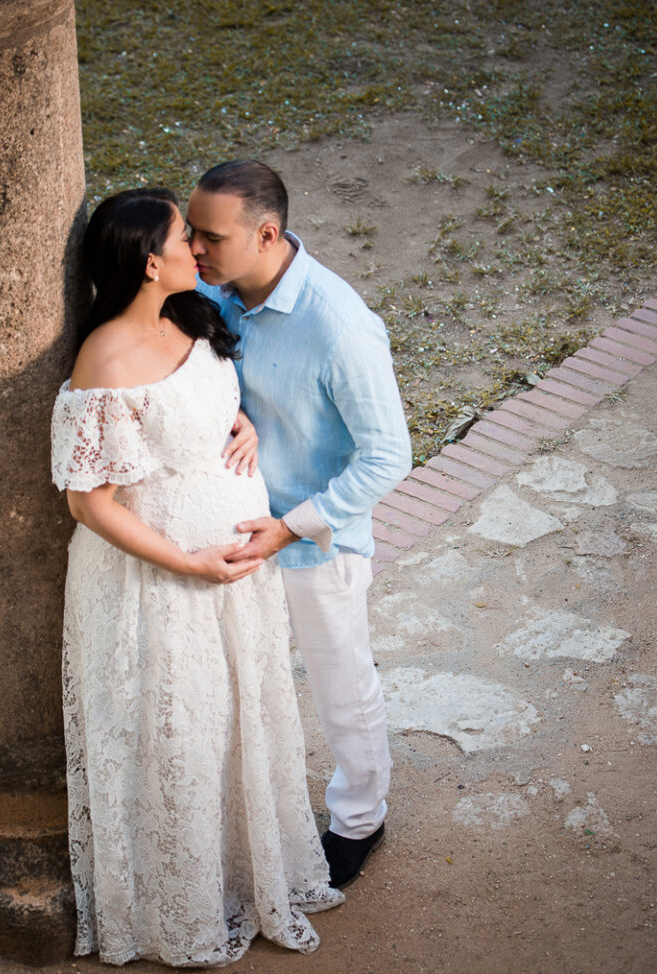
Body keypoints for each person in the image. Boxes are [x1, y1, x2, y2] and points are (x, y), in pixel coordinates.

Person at [49, 187, 341, 967]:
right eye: (186, 238)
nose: (200, 249)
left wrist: (235, 418)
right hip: (162, 583)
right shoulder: (104, 357)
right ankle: (179, 906)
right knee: (178, 733)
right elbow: (88, 501)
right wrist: (189, 562)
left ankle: (247, 873)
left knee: (232, 724)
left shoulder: (192, 311)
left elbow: (205, 396)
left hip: (233, 574)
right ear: (151, 262)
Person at [187, 160, 413, 889]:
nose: (194, 249)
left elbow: (388, 457)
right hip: (232, 530)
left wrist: (292, 526)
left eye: (209, 237)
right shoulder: (211, 290)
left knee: (341, 683)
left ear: (267, 234)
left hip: (317, 542)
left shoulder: (340, 327)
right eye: (190, 232)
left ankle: (359, 820)